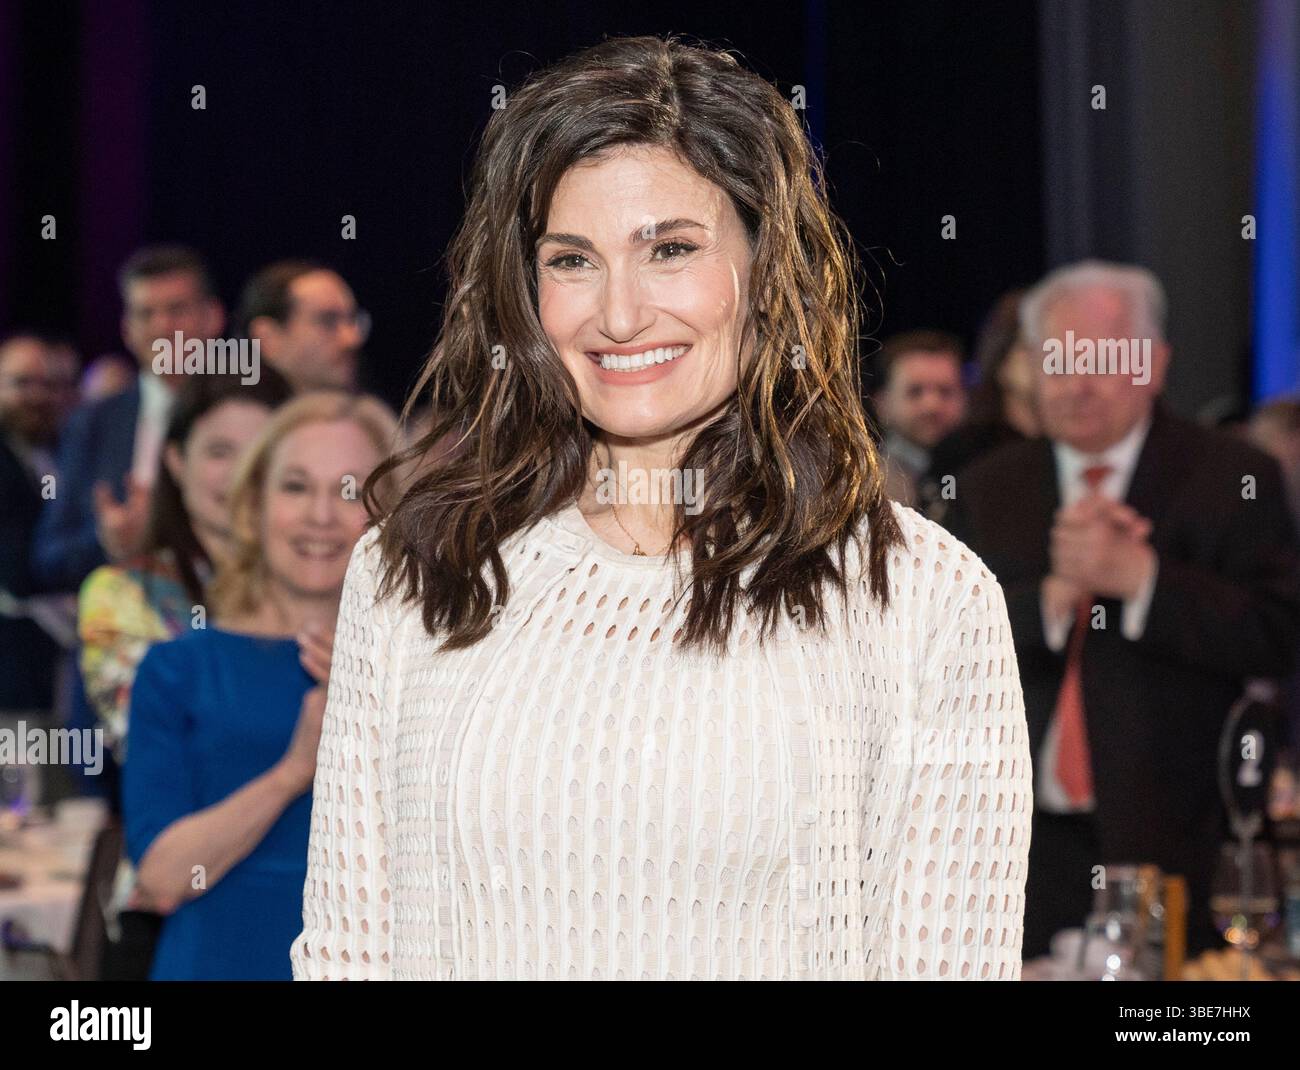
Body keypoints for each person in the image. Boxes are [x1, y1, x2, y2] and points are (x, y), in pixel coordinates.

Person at [291, 34, 1032, 982]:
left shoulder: (925, 597)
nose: (620, 313)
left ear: (767, 269)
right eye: (572, 260)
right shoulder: (415, 568)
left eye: (670, 249)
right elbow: (351, 955)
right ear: (527, 292)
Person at [945, 260, 1300, 961]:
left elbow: (1278, 634)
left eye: (1100, 360)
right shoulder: (991, 487)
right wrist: (1052, 602)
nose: (1076, 384)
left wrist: (1144, 582)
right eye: (1057, 359)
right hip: (1022, 851)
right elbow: (940, 647)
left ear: (1154, 364)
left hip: (1177, 843)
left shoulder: (1232, 475)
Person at [123, 391, 399, 980]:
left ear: (388, 514)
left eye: (350, 491)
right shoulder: (178, 671)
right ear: (254, 506)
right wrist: (292, 772)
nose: (321, 515)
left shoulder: (422, 668)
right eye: (296, 487)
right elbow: (163, 877)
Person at [79, 372, 290, 764]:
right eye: (219, 452)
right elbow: (152, 739)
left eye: (260, 453)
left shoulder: (318, 584)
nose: (241, 473)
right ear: (176, 461)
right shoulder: (124, 594)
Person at [32, 245, 225, 593]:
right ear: (127, 329)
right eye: (146, 313)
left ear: (213, 317)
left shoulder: (249, 415)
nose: (163, 327)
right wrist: (110, 541)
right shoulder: (91, 424)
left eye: (177, 310)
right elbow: (49, 558)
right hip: (124, 628)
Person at [0, 333, 72, 717]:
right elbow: (17, 569)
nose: (36, 396)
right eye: (21, 383)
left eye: (47, 384)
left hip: (50, 665)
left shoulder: (59, 452)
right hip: (12, 668)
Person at [871, 329, 968, 516]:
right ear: (882, 404)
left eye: (945, 391)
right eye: (915, 392)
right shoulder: (863, 483)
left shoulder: (985, 471)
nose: (931, 405)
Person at [236, 260, 367, 393]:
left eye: (352, 320)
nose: (352, 339)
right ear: (267, 338)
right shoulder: (235, 411)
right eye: (328, 320)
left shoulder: (370, 411)